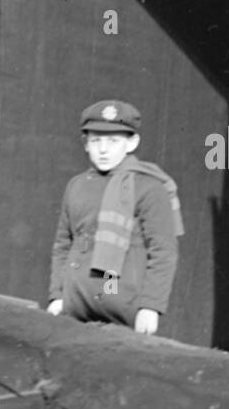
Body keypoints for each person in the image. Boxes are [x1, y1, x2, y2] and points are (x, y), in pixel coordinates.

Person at [46, 99, 182, 335]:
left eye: (113, 140)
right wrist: (57, 295)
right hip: (76, 305)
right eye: (96, 140)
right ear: (85, 144)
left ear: (132, 143)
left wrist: (151, 306)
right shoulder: (77, 186)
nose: (103, 149)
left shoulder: (148, 188)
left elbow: (163, 252)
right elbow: (63, 245)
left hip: (121, 309)